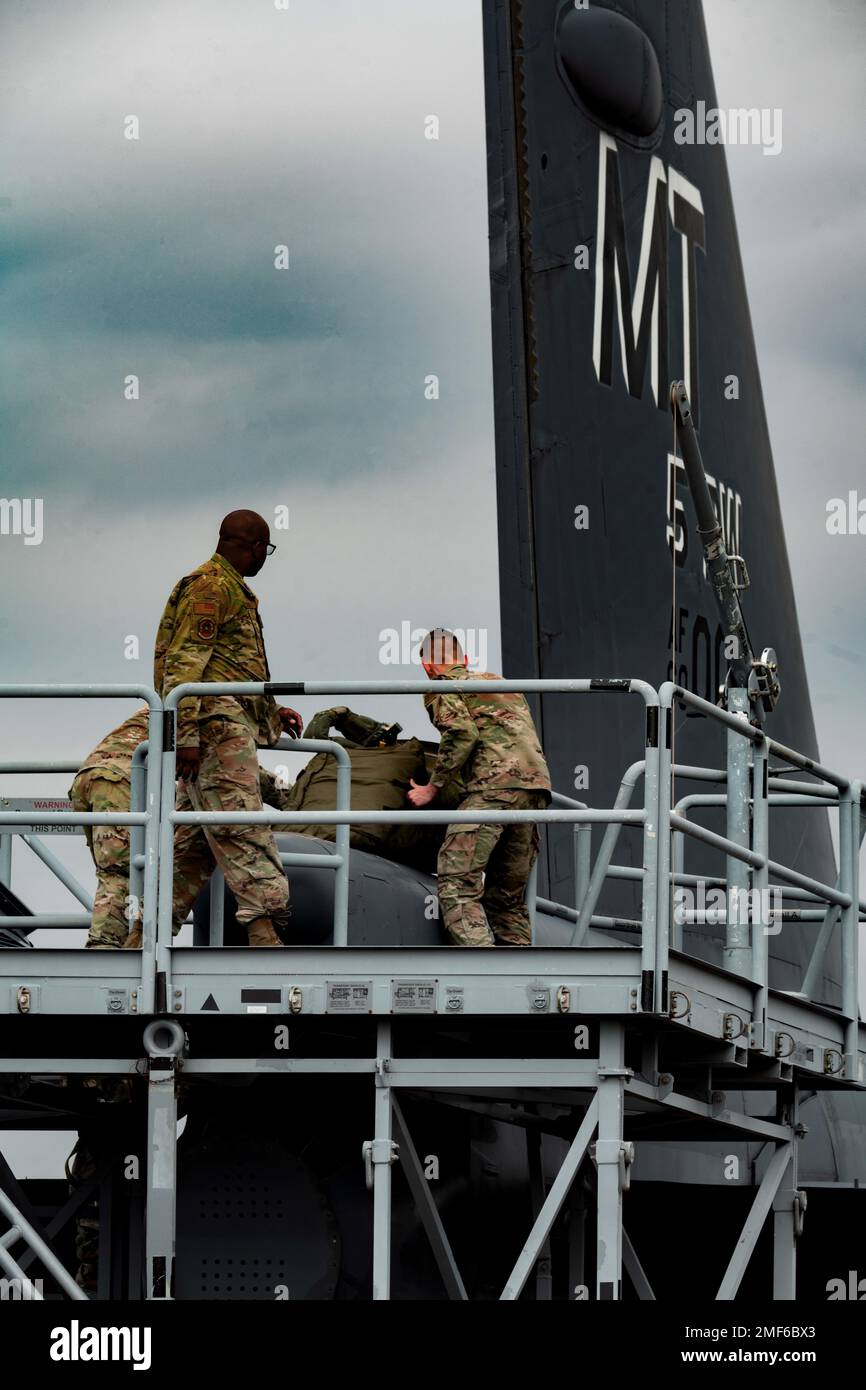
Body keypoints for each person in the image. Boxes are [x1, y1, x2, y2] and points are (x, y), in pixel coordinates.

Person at [153, 509, 302, 948]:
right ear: (254, 546)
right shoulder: (212, 587)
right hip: (215, 730)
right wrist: (186, 738)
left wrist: (268, 714)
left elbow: (226, 667)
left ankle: (144, 933)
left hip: (217, 722)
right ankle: (265, 934)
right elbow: (185, 665)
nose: (265, 559)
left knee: (193, 845)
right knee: (242, 827)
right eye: (266, 549)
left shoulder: (223, 587)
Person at [69, 708, 295, 948]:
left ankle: (131, 944)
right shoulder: (209, 714)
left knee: (126, 869)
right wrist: (298, 800)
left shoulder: (181, 705)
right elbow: (236, 773)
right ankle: (105, 952)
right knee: (123, 872)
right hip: (125, 779)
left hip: (95, 776)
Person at [408, 629, 551, 946]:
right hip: (534, 792)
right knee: (507, 901)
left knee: (457, 884)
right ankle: (518, 980)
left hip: (493, 790)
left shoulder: (444, 687)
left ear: (428, 667)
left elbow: (461, 733)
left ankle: (484, 970)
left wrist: (432, 788)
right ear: (466, 659)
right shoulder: (497, 682)